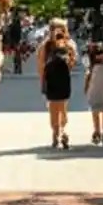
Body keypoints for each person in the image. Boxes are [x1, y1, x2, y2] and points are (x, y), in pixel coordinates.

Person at [37, 18, 77, 149]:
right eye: (56, 29)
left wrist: (66, 48)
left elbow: (73, 63)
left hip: (64, 80)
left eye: (62, 29)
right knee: (53, 109)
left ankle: (62, 130)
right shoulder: (46, 46)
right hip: (51, 80)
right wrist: (42, 81)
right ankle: (56, 133)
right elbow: (41, 64)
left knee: (63, 109)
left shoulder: (69, 44)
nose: (59, 32)